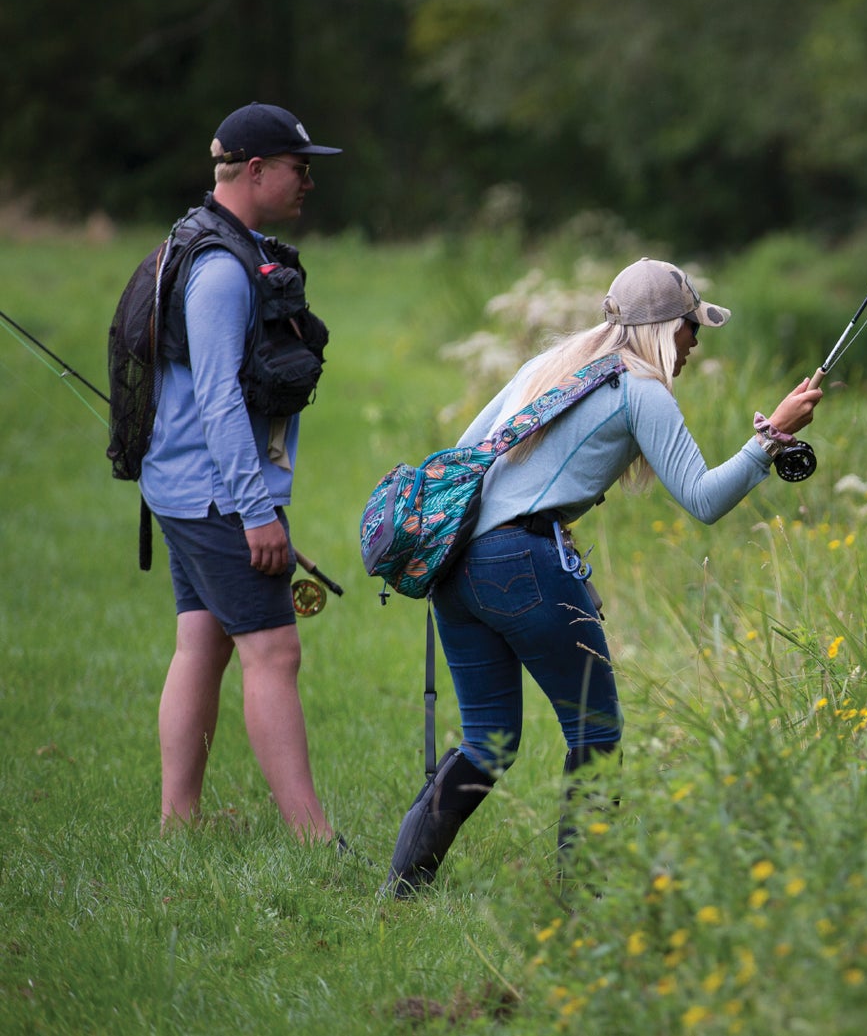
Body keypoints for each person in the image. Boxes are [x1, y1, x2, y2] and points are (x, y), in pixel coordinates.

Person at [384, 258, 822, 896]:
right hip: (524, 562)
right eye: (692, 328)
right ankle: (584, 903)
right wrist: (772, 437)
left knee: (488, 741)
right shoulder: (640, 389)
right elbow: (702, 500)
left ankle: (401, 890)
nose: (696, 342)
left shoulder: (549, 368)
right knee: (596, 731)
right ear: (666, 329)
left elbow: (463, 453)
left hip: (457, 567)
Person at [146, 102, 340, 842]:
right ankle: (313, 837)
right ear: (255, 170)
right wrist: (256, 510)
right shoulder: (223, 269)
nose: (308, 182)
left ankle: (179, 824)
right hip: (221, 495)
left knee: (203, 641)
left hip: (184, 486)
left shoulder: (196, 239)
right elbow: (219, 397)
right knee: (274, 651)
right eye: (299, 168)